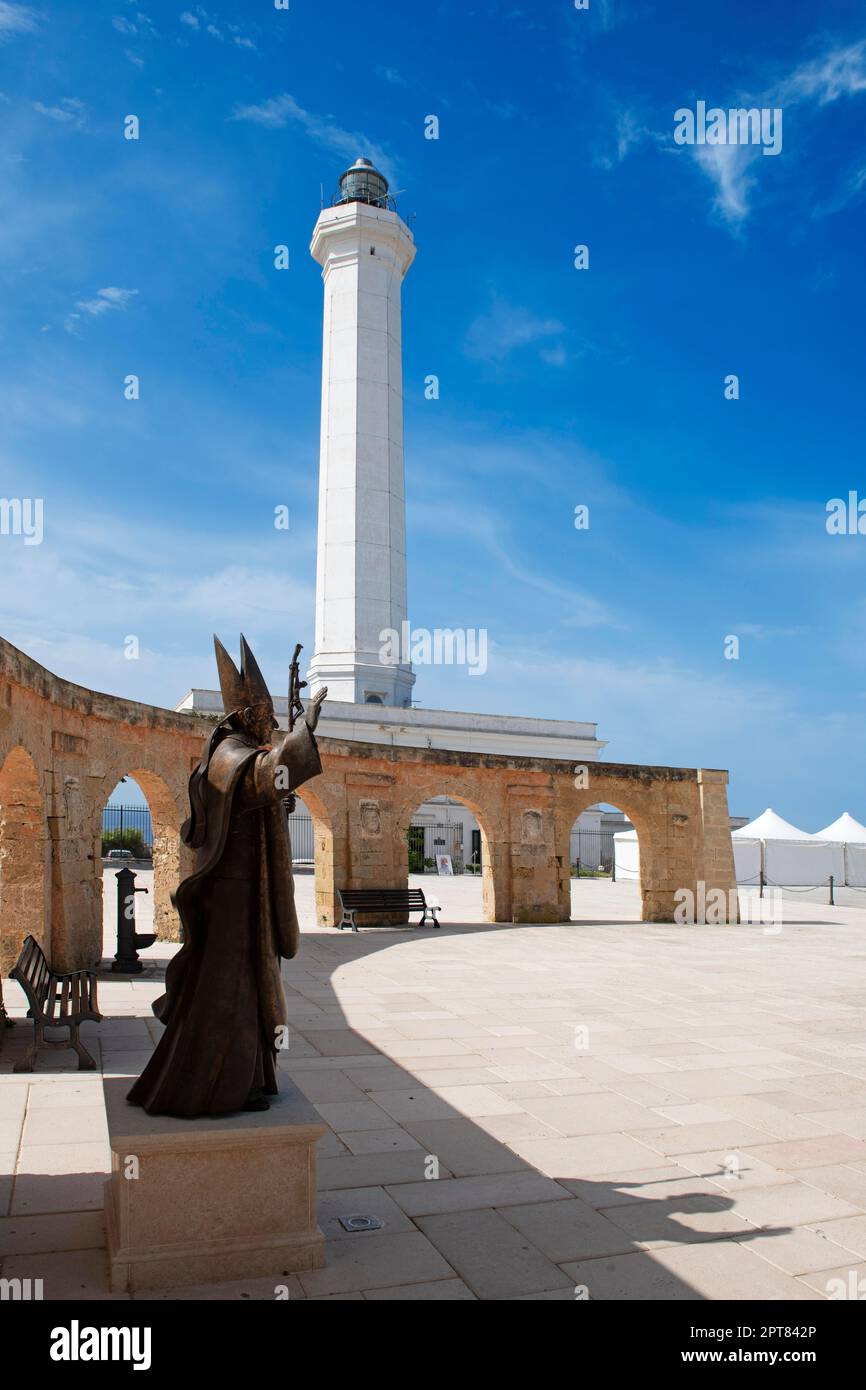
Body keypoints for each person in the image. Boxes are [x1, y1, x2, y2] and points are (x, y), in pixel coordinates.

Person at [127, 635, 326, 1117]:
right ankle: (218, 1085)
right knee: (232, 988)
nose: (271, 725)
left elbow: (261, 790)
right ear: (246, 715)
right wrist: (305, 728)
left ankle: (249, 1078)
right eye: (266, 716)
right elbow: (266, 774)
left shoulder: (229, 752)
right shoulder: (228, 755)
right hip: (235, 897)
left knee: (250, 985)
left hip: (241, 894)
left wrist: (275, 805)